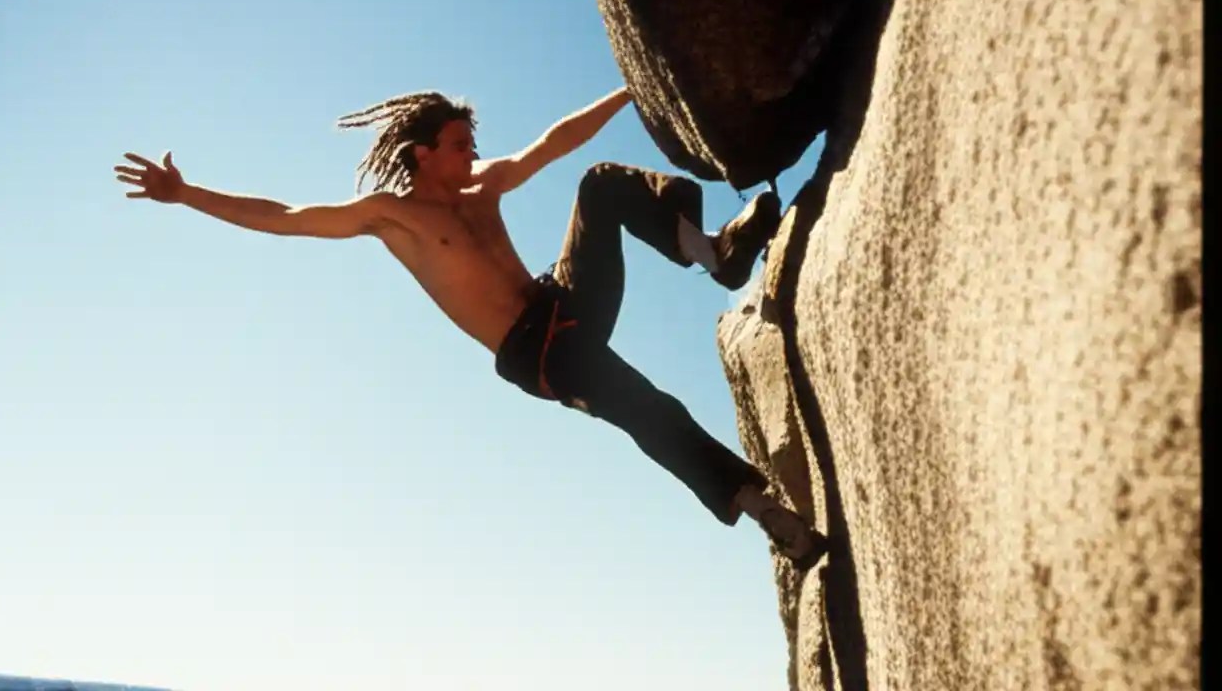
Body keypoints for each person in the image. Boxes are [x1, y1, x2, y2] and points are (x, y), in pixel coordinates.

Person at [114, 87, 828, 570]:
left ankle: (716, 256)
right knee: (650, 410)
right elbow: (285, 216)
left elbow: (555, 142)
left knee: (599, 184)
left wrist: (635, 90)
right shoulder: (396, 217)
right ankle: (768, 515)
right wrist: (187, 195)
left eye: (470, 143)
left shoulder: (483, 186)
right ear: (423, 152)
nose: (471, 155)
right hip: (538, 353)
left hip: (564, 303)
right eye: (459, 145)